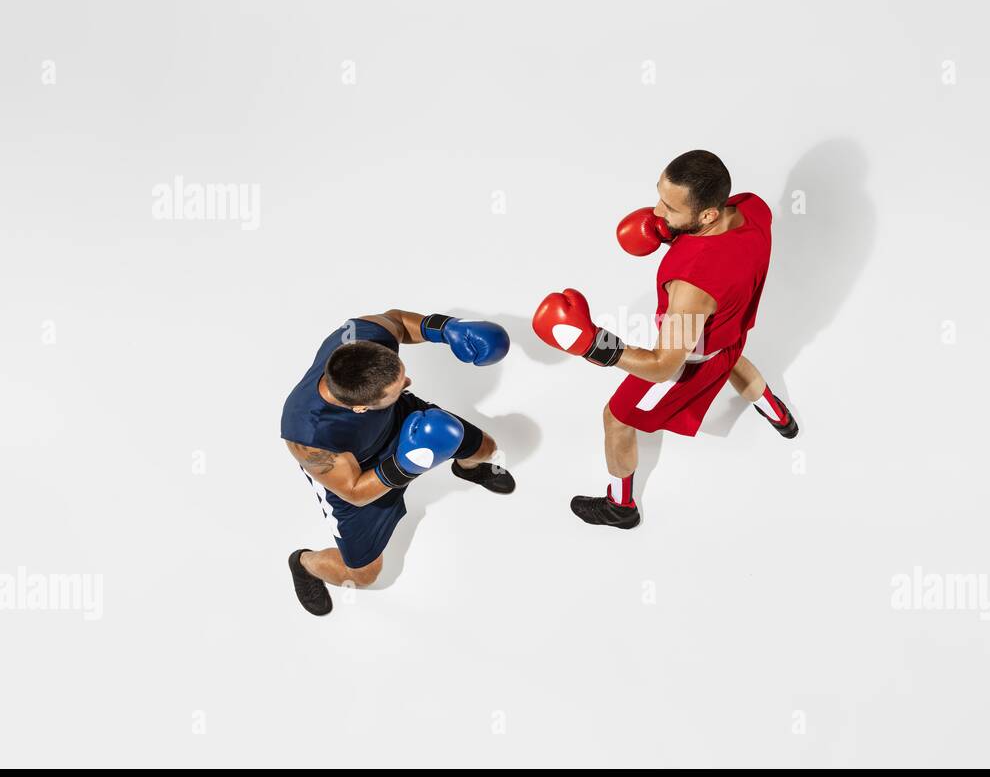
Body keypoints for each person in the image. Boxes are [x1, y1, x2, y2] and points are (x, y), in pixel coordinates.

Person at [533, 150, 797, 529]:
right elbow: (722, 252)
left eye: (670, 209)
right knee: (732, 359)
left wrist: (594, 345)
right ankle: (780, 416)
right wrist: (671, 231)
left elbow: (663, 365)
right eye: (659, 195)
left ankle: (620, 507)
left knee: (617, 418)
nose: (657, 213)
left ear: (706, 215)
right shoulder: (752, 208)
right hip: (731, 331)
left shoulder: (692, 286)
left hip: (694, 360)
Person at [281, 310, 514, 614]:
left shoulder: (360, 336)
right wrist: (409, 462)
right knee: (364, 575)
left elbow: (399, 322)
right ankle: (305, 565)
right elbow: (354, 492)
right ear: (362, 408)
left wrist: (446, 328)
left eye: (401, 375)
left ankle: (466, 469)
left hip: (400, 420)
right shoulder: (307, 434)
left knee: (485, 448)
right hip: (355, 475)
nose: (409, 380)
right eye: (400, 387)